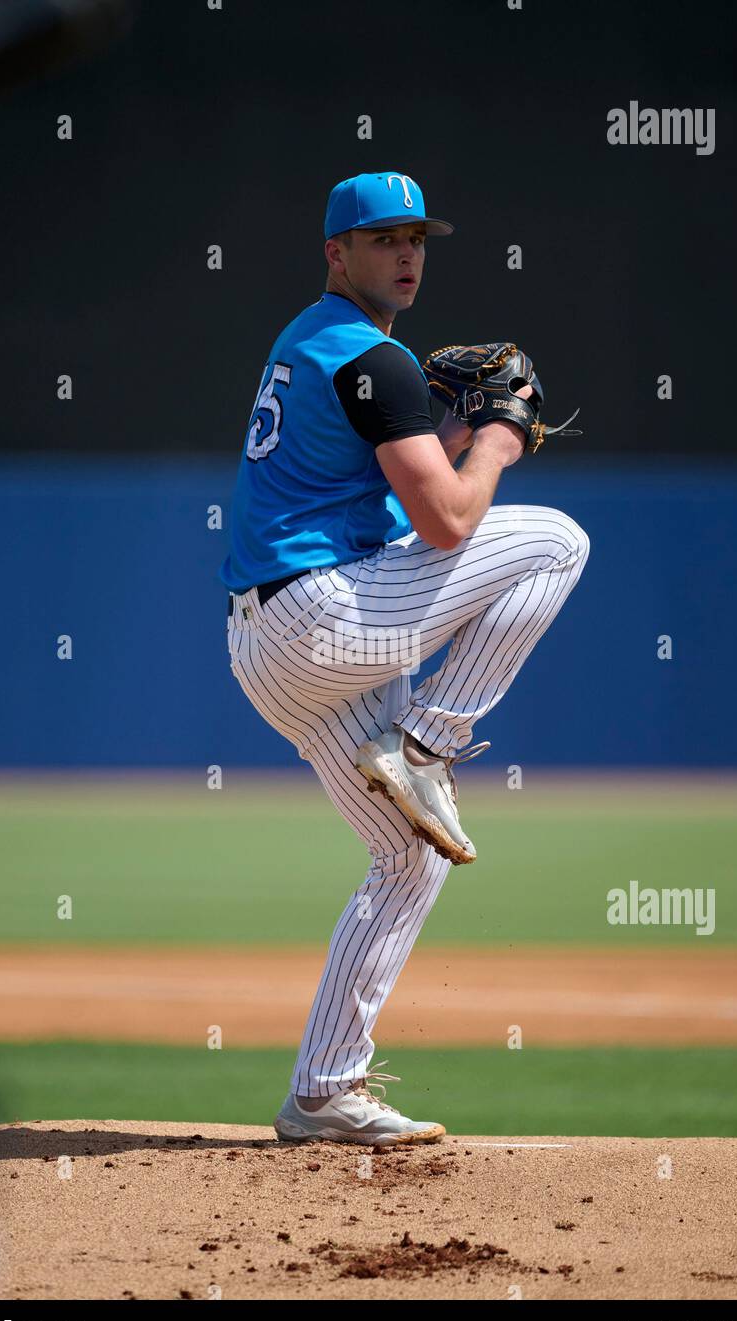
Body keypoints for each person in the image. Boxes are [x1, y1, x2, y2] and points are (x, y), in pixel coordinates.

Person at [220, 171, 590, 1145]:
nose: (405, 253)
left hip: (269, 645)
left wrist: (449, 432)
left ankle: (323, 1091)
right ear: (336, 252)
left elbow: (385, 502)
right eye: (381, 238)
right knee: (553, 538)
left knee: (407, 853)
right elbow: (448, 519)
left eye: (415, 236)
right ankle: (429, 741)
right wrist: (500, 437)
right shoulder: (370, 360)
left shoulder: (310, 343)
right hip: (322, 618)